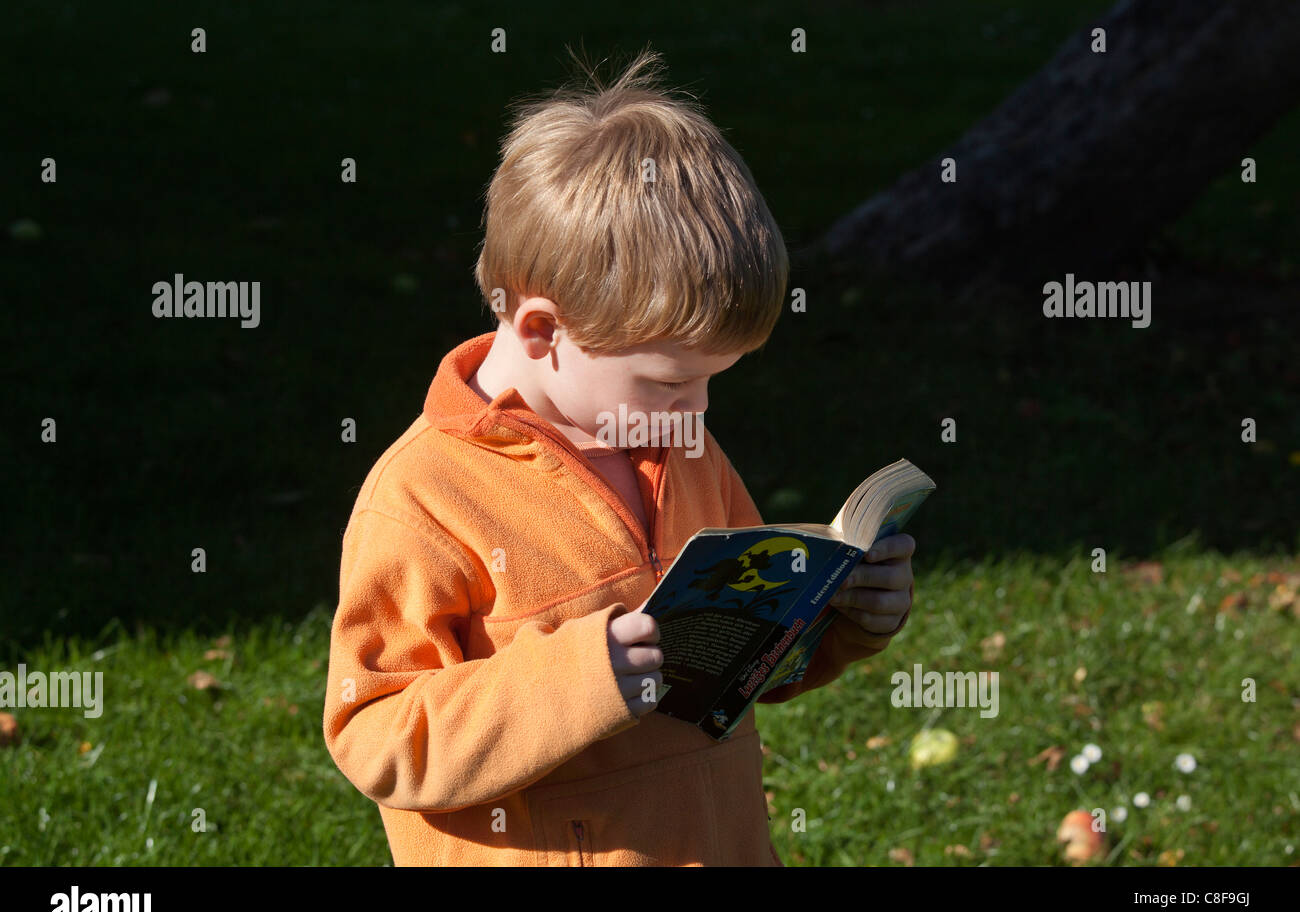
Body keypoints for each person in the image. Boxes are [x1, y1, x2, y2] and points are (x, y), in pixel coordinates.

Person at [322, 44, 915, 866]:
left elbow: (734, 667)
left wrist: (841, 618)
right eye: (670, 383)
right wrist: (575, 683)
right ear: (540, 330)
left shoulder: (679, 447)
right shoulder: (425, 497)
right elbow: (378, 733)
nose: (697, 411)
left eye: (714, 381)